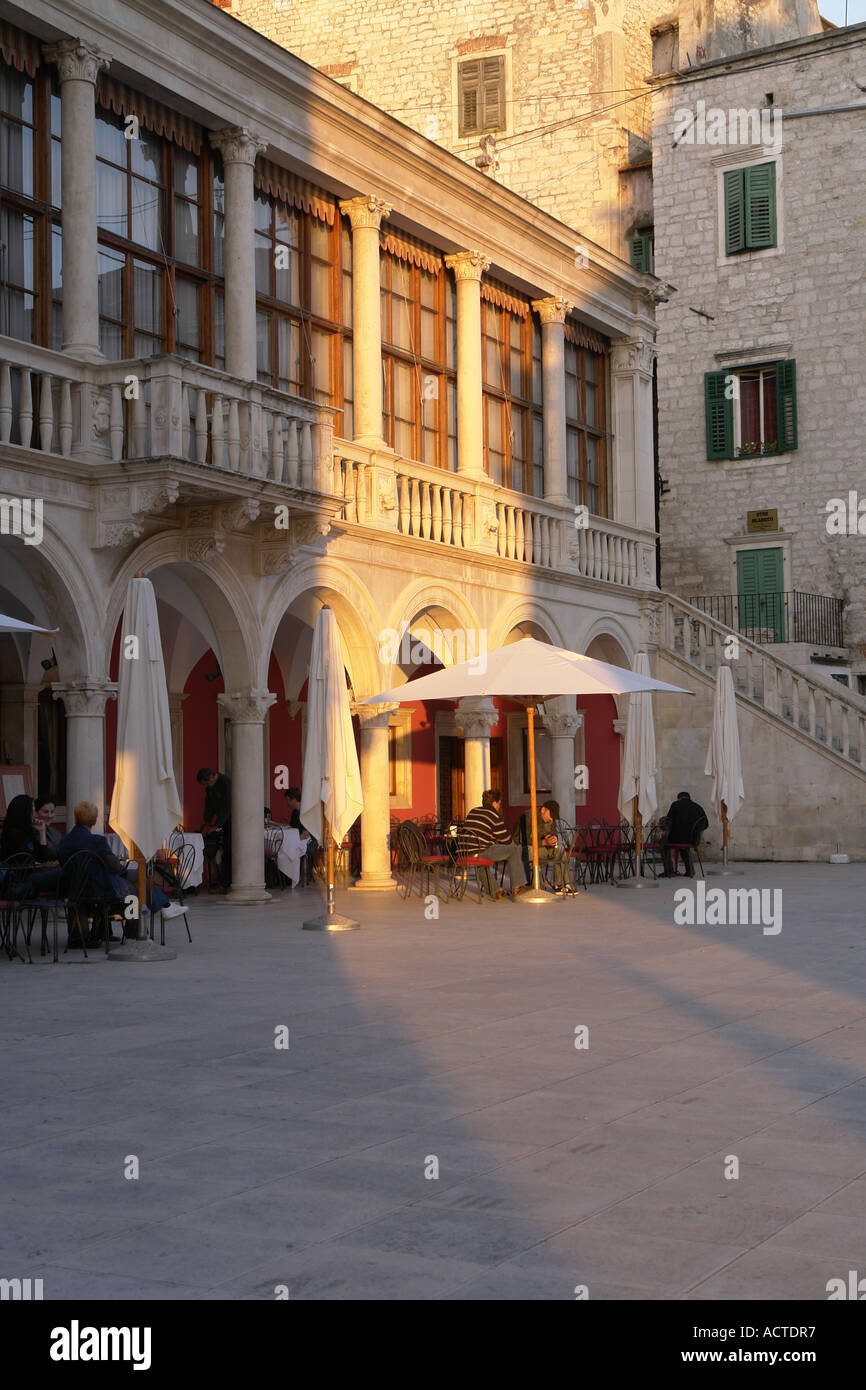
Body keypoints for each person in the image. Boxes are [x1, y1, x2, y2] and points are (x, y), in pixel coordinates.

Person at [58, 801, 184, 946]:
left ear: (75, 818)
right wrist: (120, 868)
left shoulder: (65, 841)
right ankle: (138, 929)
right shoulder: (97, 841)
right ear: (94, 820)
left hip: (74, 887)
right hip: (99, 888)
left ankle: (164, 906)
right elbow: (115, 867)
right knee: (136, 891)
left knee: (136, 877)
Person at [463, 789, 529, 899]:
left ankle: (495, 891)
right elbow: (506, 839)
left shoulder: (473, 811)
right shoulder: (493, 814)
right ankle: (518, 886)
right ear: (494, 803)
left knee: (481, 865)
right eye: (499, 804)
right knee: (513, 850)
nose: (499, 806)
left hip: (465, 853)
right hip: (480, 851)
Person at [198, 767, 232, 892]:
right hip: (223, 822)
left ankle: (229, 884)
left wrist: (216, 825)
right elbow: (209, 805)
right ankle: (224, 883)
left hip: (232, 820)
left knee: (230, 852)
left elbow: (227, 806)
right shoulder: (210, 787)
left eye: (207, 783)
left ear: (213, 776)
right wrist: (207, 822)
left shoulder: (226, 783)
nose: (207, 786)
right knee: (225, 852)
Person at [0, 794, 58, 864]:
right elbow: (25, 862)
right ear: (25, 812)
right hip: (21, 873)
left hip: (34, 871)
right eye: (32, 809)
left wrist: (42, 831)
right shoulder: (13, 834)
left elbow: (42, 858)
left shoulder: (28, 830)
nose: (34, 812)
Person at [662, 791, 708, 877]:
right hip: (693, 839)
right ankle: (690, 870)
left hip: (678, 838)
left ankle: (669, 871)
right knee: (684, 845)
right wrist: (695, 832)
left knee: (663, 843)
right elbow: (705, 824)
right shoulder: (698, 807)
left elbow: (668, 822)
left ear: (679, 798)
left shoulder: (675, 805)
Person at [283, 786, 316, 882]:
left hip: (310, 842)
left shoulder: (305, 812)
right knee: (284, 847)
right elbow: (291, 827)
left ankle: (291, 876)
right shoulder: (294, 812)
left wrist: (292, 840)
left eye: (288, 800)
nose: (287, 803)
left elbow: (306, 834)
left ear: (293, 799)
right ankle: (288, 875)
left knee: (288, 848)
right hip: (300, 840)